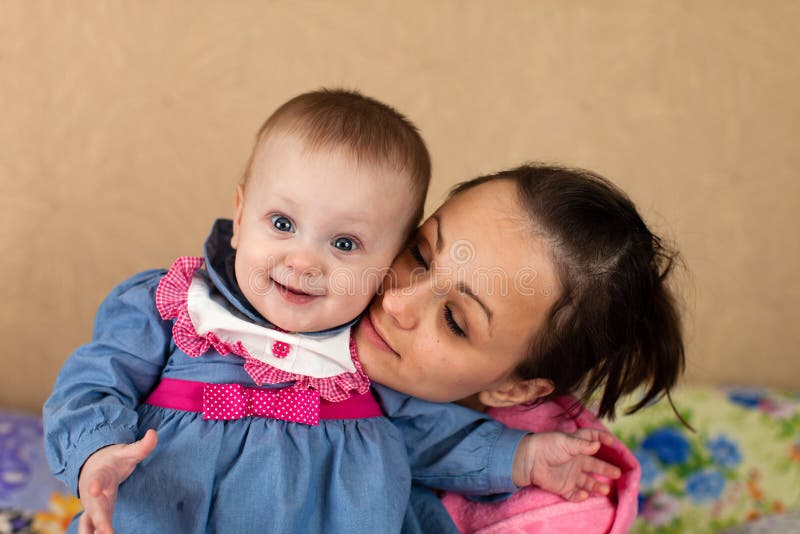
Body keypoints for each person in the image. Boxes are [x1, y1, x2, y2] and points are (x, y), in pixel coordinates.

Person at [43, 91, 622, 534]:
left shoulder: (364, 362)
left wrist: (520, 458)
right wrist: (97, 453)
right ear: (240, 215)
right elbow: (94, 380)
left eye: (345, 245)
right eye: (282, 223)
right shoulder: (175, 306)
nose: (304, 260)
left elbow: (434, 437)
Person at [358, 164, 684, 533]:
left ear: (515, 388)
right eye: (419, 255)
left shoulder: (549, 515)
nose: (396, 302)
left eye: (454, 321)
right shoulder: (318, 294)